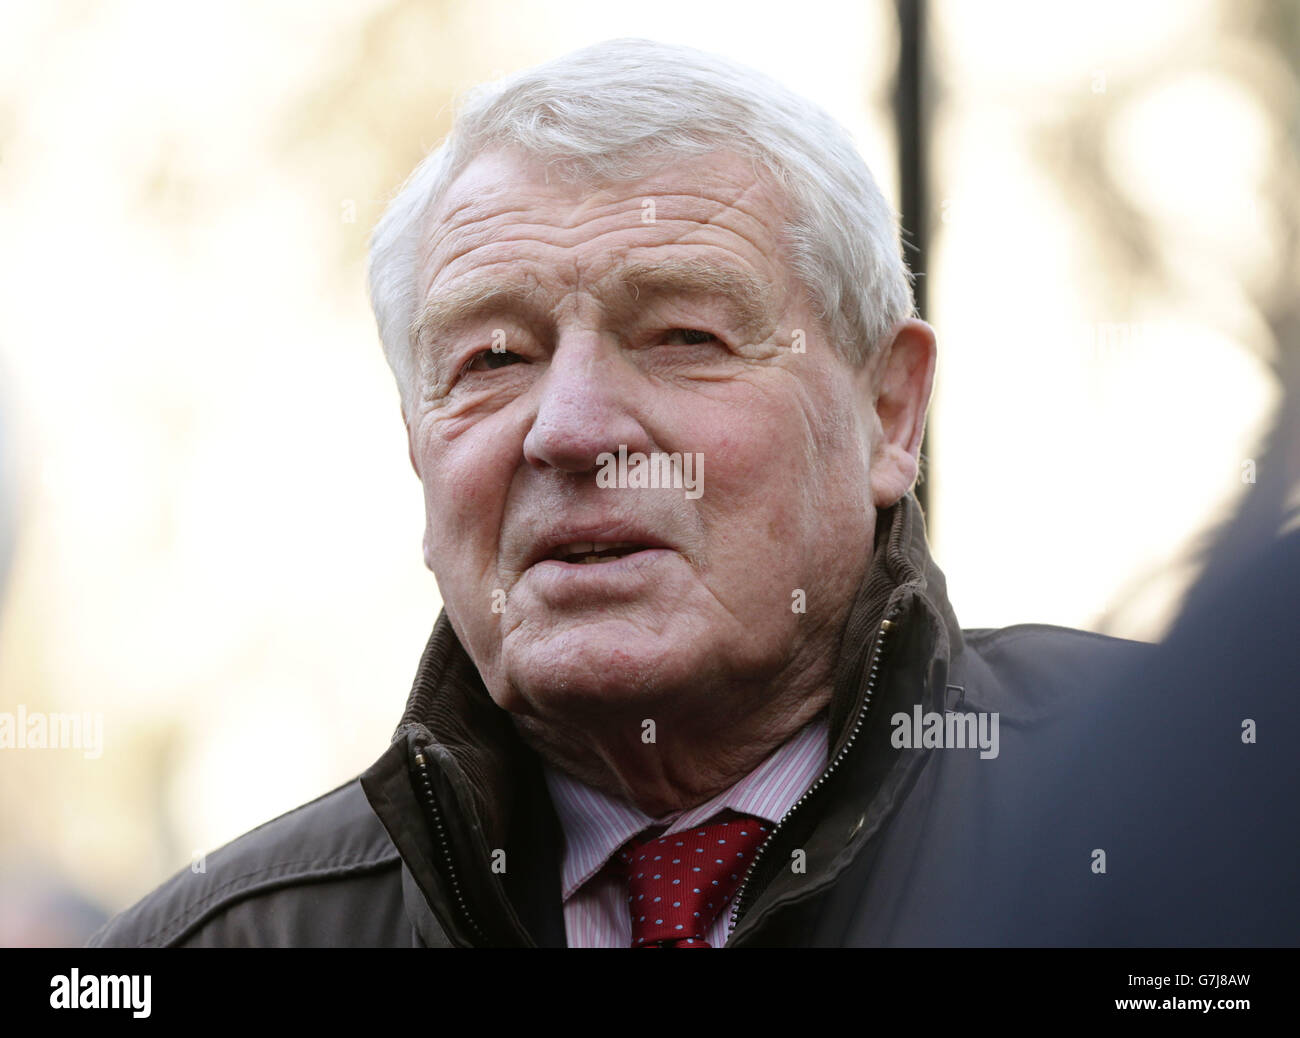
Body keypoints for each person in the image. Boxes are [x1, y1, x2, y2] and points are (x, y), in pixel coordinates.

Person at [90, 37, 1183, 948]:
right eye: (492, 359)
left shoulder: (1207, 823)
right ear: (417, 447)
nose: (570, 430)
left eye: (682, 335)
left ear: (889, 413)